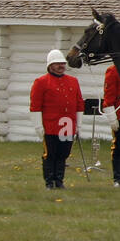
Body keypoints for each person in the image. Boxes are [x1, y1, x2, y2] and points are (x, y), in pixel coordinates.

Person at [30, 49, 84, 189]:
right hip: (51, 125)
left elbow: (79, 104)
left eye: (62, 63)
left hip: (68, 125)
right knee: (50, 154)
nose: (61, 66)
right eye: (57, 64)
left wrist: (79, 124)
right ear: (50, 66)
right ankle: (49, 182)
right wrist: (38, 126)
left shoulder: (73, 81)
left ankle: (59, 181)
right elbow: (35, 106)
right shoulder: (41, 82)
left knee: (63, 154)